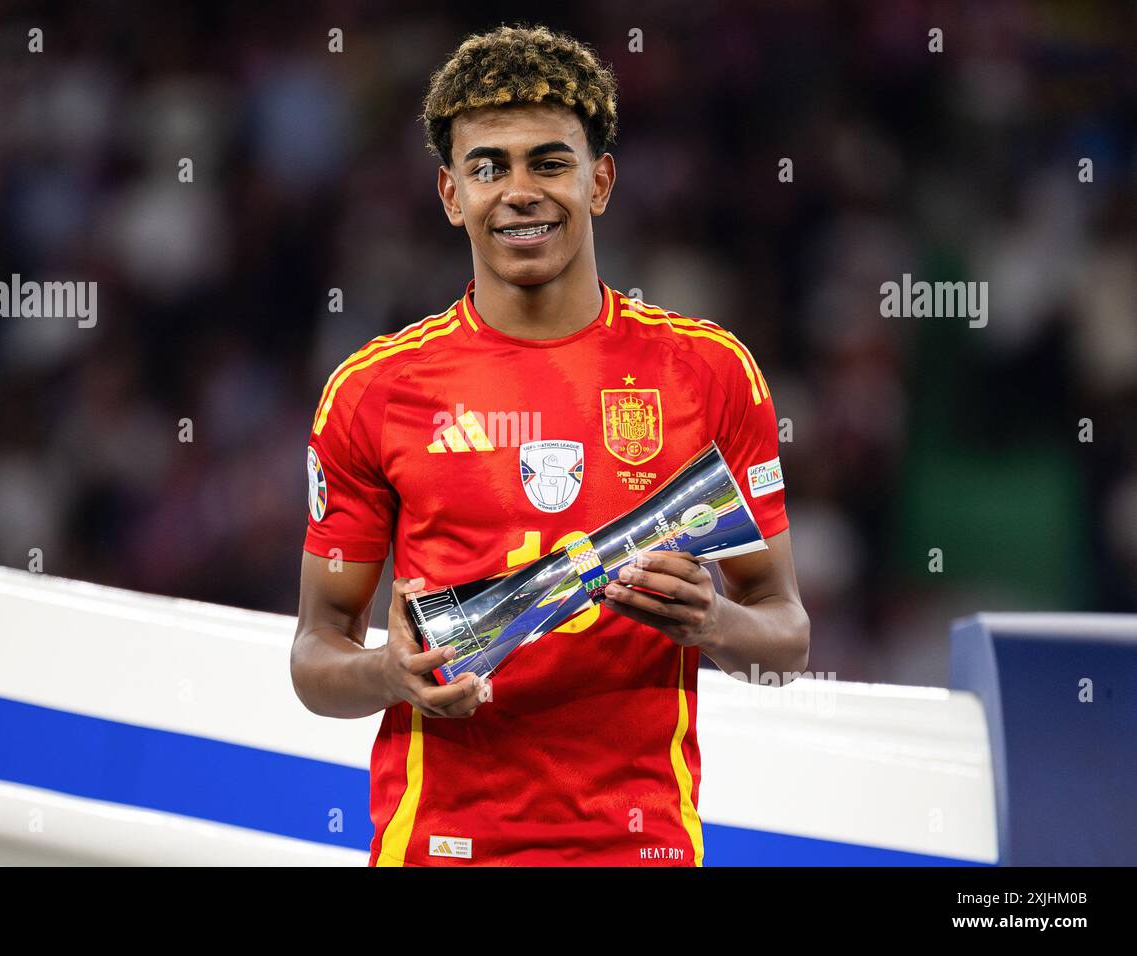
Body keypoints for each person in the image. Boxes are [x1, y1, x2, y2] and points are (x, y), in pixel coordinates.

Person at [292, 24, 809, 866]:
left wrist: (710, 620)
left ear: (599, 181)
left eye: (550, 162)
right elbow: (316, 653)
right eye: (488, 166)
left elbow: (786, 639)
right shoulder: (375, 390)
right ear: (451, 194)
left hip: (641, 847)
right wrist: (388, 674)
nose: (519, 190)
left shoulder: (707, 373)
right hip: (440, 843)